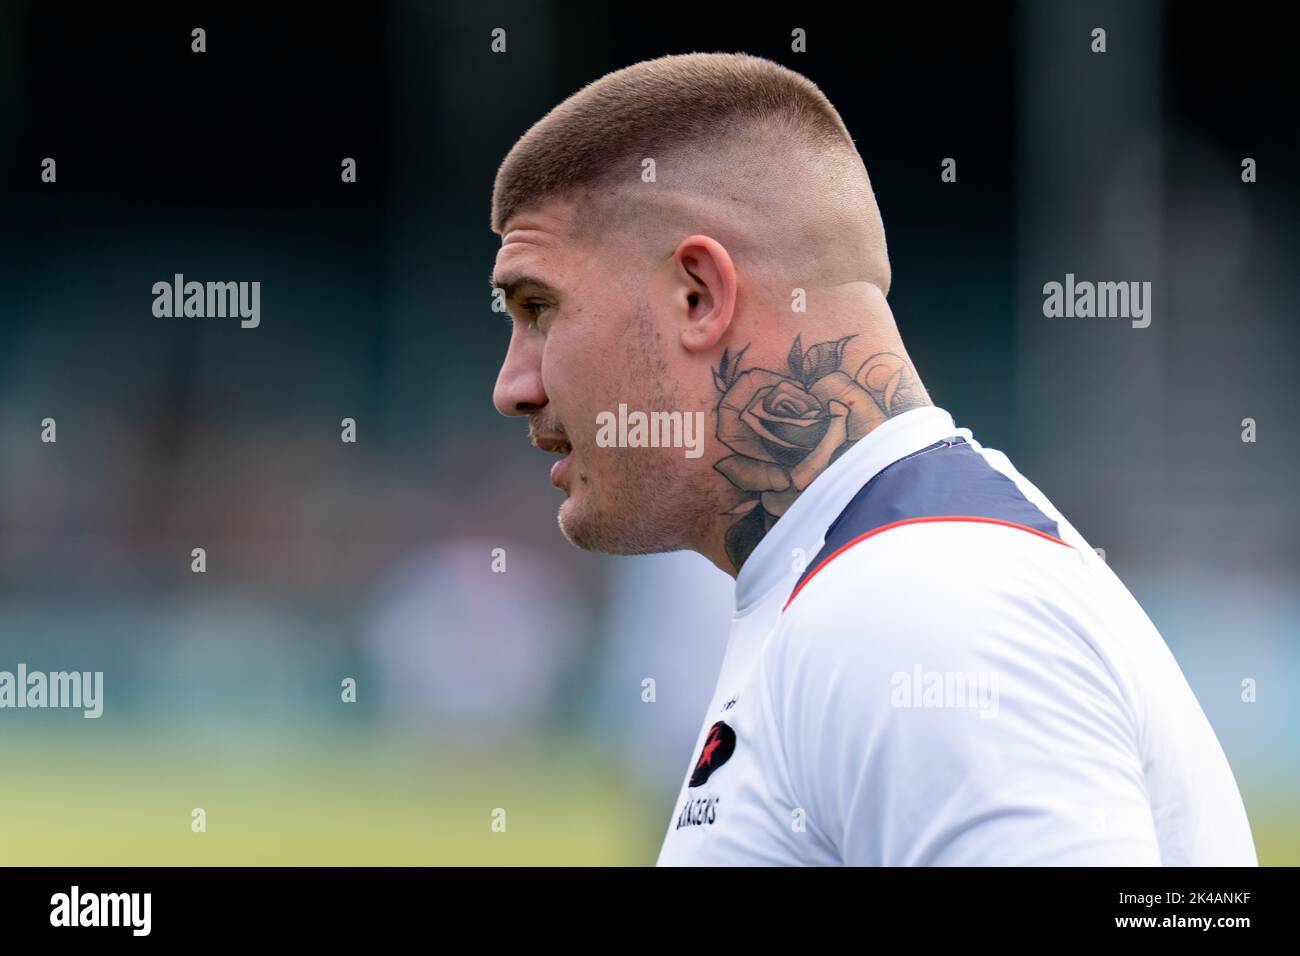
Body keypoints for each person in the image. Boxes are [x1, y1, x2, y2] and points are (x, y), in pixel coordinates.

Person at [488, 52, 1257, 865]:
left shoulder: (919, 602)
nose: (513, 385)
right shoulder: (866, 577)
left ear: (698, 296)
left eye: (539, 307)